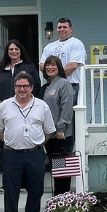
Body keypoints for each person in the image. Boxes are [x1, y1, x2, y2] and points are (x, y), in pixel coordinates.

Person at [0, 72, 56, 212]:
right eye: (18, 86)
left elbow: (49, 131)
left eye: (25, 86)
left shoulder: (42, 106)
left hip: (34, 155)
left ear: (31, 88)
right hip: (11, 155)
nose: (22, 89)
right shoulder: (5, 105)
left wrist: (35, 143)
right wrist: (10, 142)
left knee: (36, 192)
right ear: (14, 87)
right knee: (11, 194)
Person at [0, 39, 40, 173]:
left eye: (16, 49)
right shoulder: (0, 69)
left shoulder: (29, 68)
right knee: (1, 136)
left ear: (21, 51)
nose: (14, 51)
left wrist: (26, 104)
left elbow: (36, 87)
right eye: (11, 49)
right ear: (7, 52)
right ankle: (1, 163)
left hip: (24, 110)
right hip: (3, 109)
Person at [39, 55, 75, 195]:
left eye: (53, 65)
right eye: (47, 65)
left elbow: (67, 107)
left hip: (61, 135)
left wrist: (61, 128)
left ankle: (62, 197)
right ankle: (57, 197)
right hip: (50, 135)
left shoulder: (63, 83)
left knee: (62, 170)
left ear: (59, 67)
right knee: (55, 168)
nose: (50, 67)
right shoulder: (47, 86)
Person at [39, 17, 86, 106]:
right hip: (51, 85)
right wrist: (54, 79)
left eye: (65, 27)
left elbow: (72, 66)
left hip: (70, 85)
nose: (62, 29)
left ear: (71, 29)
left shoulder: (76, 43)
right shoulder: (49, 46)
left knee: (67, 112)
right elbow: (42, 65)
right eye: (59, 27)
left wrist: (54, 77)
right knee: (50, 111)